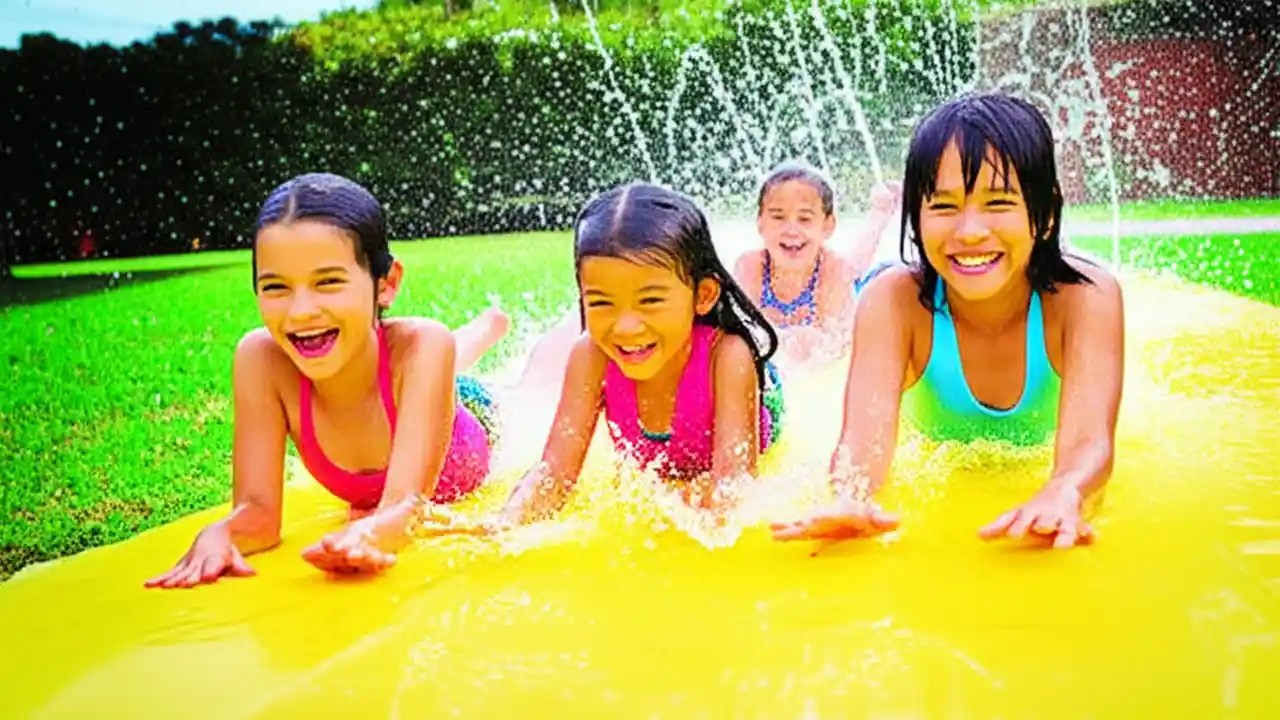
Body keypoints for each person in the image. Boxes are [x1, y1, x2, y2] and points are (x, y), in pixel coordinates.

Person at [771, 92, 1124, 550]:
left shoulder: (1083, 299)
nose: (970, 231)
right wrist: (851, 496)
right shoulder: (894, 302)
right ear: (915, 216)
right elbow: (862, 441)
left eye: (998, 203)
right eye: (942, 206)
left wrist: (1066, 489)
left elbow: (1090, 439)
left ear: (1048, 214)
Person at [146, 173, 506, 588]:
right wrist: (220, 533)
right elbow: (258, 514)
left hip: (470, 413)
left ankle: (487, 328)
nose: (300, 312)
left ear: (385, 285)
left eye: (328, 282)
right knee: (427, 355)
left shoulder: (424, 345)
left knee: (468, 362)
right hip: (388, 364)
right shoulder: (260, 359)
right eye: (276, 286)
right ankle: (477, 335)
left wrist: (368, 534)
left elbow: (407, 506)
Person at [424, 182, 786, 534]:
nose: (626, 326)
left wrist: (669, 502)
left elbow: (735, 483)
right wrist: (508, 520)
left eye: (650, 301)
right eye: (601, 302)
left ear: (703, 295)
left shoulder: (727, 356)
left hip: (759, 395)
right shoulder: (591, 355)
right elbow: (555, 470)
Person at [731, 161, 900, 364]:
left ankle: (880, 214)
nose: (791, 230)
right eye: (778, 217)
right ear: (760, 224)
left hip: (843, 284)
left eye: (804, 219)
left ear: (828, 226)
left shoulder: (835, 271)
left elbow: (832, 349)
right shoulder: (749, 267)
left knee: (854, 271)